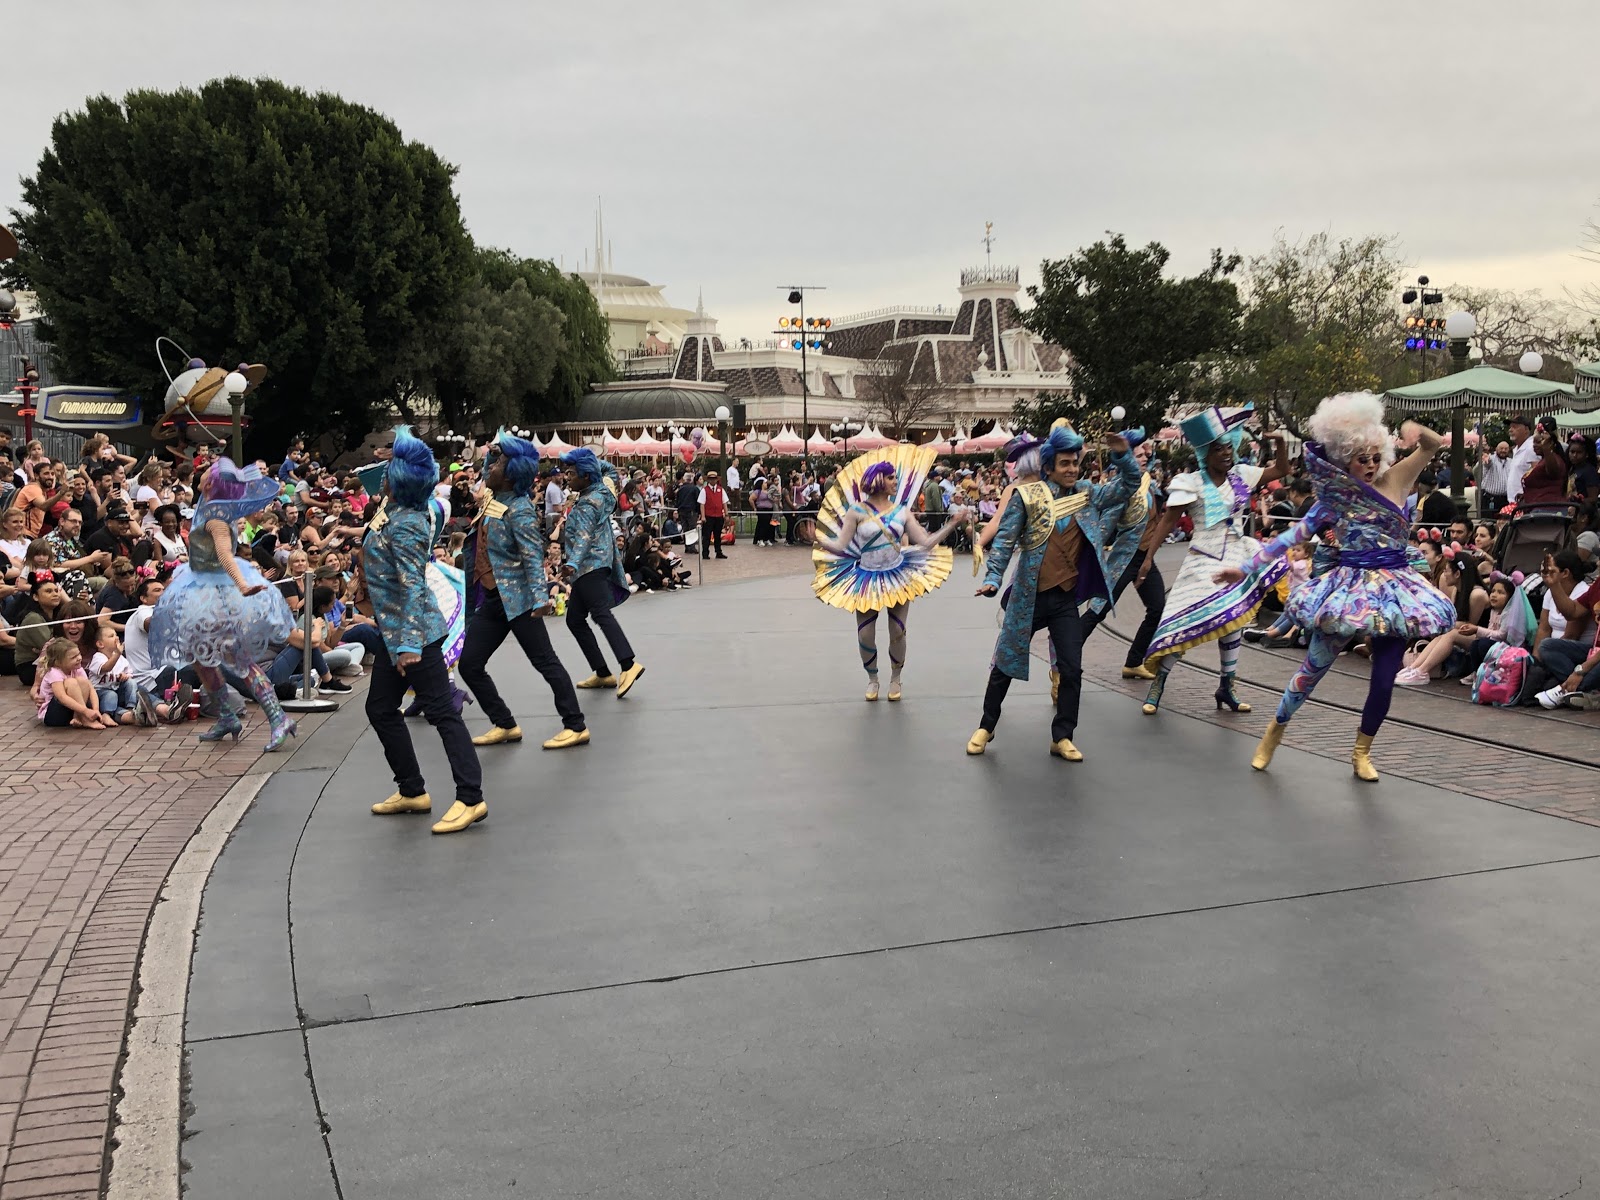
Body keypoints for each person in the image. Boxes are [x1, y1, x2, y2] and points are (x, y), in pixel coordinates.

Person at [1216, 393, 1456, 782]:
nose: (1371, 465)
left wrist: (1415, 430)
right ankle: (1275, 730)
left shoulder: (1396, 479)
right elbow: (1291, 536)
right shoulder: (1335, 499)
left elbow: (1432, 445)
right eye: (1362, 459)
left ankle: (1362, 752)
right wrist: (1245, 568)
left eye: (1375, 457)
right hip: (1350, 589)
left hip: (1395, 591)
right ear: (1345, 458)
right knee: (1313, 669)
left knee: (1384, 677)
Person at [968, 423, 1137, 760]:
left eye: (1075, 462)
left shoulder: (1087, 494)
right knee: (1005, 662)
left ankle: (1062, 736)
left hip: (1064, 599)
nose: (1072, 469)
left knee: (1071, 669)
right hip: (1028, 597)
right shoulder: (1027, 497)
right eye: (1065, 463)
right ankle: (987, 725)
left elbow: (1127, 486)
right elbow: (1005, 540)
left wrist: (1123, 456)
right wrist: (994, 577)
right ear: (1048, 467)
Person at [361, 428, 486, 834]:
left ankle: (471, 798)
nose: (382, 474)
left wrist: (410, 644)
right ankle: (412, 790)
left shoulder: (408, 524)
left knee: (442, 713)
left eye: (389, 470)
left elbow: (413, 585)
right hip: (395, 634)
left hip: (415, 636)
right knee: (380, 708)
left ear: (398, 481)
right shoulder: (401, 511)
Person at [1139, 406, 1291, 715]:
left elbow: (1281, 471)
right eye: (1219, 449)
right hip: (1202, 560)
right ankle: (1159, 681)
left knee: (1232, 619)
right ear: (1205, 453)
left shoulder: (1241, 475)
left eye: (1228, 448)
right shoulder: (1190, 482)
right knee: (1187, 621)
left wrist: (1279, 442)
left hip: (1237, 556)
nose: (1226, 453)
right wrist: (1148, 558)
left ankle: (1227, 686)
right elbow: (1168, 522)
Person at [147, 457, 298, 749]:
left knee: (238, 659)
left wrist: (242, 585)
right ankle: (227, 716)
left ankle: (279, 718)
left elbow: (225, 554)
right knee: (200, 658)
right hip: (199, 587)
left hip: (216, 595)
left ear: (212, 485)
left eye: (208, 473)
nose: (203, 474)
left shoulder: (217, 518)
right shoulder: (208, 504)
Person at [459, 430, 588, 751]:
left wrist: (541, 598)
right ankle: (504, 723)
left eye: (498, 464)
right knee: (469, 664)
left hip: (519, 602)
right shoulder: (495, 499)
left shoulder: (519, 510)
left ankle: (576, 725)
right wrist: (495, 451)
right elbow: (488, 472)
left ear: (511, 475)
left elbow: (532, 557)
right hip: (493, 600)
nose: (491, 468)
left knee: (545, 662)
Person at [811, 445, 969, 703]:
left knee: (897, 630)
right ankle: (873, 678)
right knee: (865, 634)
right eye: (892, 477)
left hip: (897, 576)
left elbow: (925, 543)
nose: (896, 482)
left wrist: (952, 524)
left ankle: (896, 677)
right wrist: (819, 541)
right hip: (866, 577)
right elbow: (840, 545)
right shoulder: (856, 511)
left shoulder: (902, 511)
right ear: (878, 480)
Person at [560, 447, 646, 698]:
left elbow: (584, 538)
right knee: (575, 620)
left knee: (600, 614)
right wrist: (586, 459)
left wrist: (572, 564)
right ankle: (602, 672)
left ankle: (628, 664)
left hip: (589, 566)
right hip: (596, 564)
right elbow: (609, 470)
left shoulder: (588, 503)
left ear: (585, 476)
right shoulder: (604, 491)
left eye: (572, 473)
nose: (567, 477)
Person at [1080, 435, 1167, 681]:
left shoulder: (1149, 484)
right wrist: (1090, 555)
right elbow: (1104, 527)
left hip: (1145, 559)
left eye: (1144, 455)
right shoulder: (1122, 489)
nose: (1144, 458)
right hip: (1124, 559)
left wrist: (1149, 558)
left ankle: (1133, 662)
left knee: (1157, 608)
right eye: (1138, 456)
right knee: (1098, 610)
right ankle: (1064, 658)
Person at [1504, 414, 1538, 506]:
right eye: (1510, 427)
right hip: (1514, 501)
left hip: (1525, 502)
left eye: (1515, 427)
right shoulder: (1516, 449)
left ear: (1526, 429)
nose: (1510, 430)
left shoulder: (1531, 447)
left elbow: (1536, 474)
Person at [699, 471, 729, 559]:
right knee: (707, 536)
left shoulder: (721, 490)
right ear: (708, 480)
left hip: (718, 516)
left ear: (716, 480)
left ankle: (718, 552)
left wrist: (726, 514)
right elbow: (702, 504)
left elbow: (724, 503)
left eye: (714, 479)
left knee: (717, 535)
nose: (713, 480)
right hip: (708, 516)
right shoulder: (704, 490)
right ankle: (705, 553)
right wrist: (703, 516)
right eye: (711, 479)